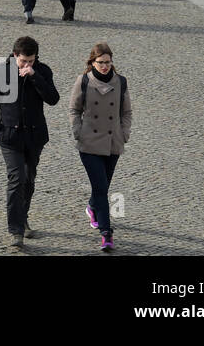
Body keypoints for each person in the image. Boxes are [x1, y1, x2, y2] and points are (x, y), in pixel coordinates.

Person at [0, 35, 60, 248]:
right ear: (15, 55)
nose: (27, 64)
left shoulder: (43, 71)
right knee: (16, 179)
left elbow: (53, 99)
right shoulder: (1, 71)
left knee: (28, 180)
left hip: (35, 137)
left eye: (31, 60)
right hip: (10, 137)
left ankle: (23, 217)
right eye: (24, 61)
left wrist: (35, 76)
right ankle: (16, 229)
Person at [69, 42, 132, 252]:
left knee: (102, 184)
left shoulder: (121, 82)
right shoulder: (84, 81)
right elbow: (74, 109)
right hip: (89, 143)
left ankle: (92, 207)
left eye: (108, 62)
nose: (105, 66)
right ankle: (106, 233)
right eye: (101, 62)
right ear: (92, 63)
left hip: (113, 142)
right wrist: (78, 132)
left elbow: (126, 112)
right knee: (101, 188)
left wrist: (124, 134)